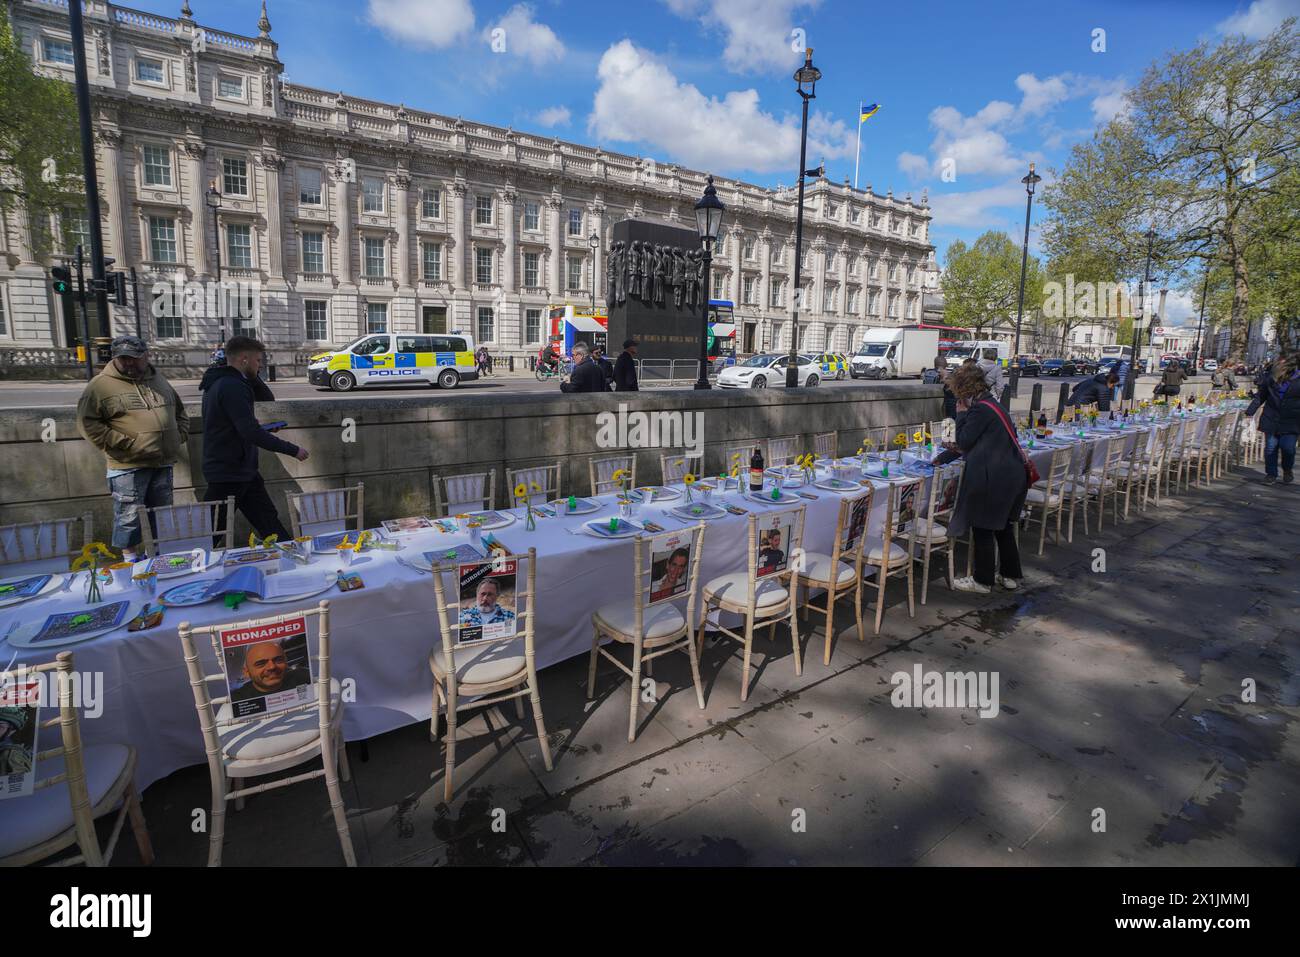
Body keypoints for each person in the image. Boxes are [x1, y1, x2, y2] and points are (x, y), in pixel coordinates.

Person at [76, 336, 190, 563]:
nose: (128, 363)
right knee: (128, 517)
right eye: (123, 359)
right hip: (127, 466)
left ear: (146, 356)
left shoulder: (159, 380)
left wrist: (178, 436)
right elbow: (87, 423)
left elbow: (179, 412)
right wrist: (125, 443)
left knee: (161, 514)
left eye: (134, 358)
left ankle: (157, 556)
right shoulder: (99, 386)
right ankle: (130, 560)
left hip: (163, 461)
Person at [933, 364, 1029, 593]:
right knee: (1003, 526)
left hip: (993, 476)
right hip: (1011, 473)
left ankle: (983, 580)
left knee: (983, 527)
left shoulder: (979, 410)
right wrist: (942, 458)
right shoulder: (993, 404)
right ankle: (1010, 576)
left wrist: (961, 414)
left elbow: (964, 440)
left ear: (963, 388)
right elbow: (975, 442)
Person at [199, 335, 307, 540]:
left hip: (240, 470)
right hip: (229, 472)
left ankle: (288, 558)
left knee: (269, 523)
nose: (260, 366)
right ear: (244, 359)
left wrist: (252, 376)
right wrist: (293, 450)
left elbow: (266, 400)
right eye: (258, 361)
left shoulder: (222, 381)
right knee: (211, 533)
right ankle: (191, 567)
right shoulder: (231, 386)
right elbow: (249, 432)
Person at [1245, 354, 1300, 485]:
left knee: (1288, 448)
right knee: (1270, 447)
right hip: (1271, 417)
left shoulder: (1298, 379)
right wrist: (1250, 411)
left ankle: (1287, 470)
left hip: (1291, 420)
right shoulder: (1271, 379)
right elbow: (1261, 396)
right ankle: (1271, 474)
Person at [231, 640, 312, 702]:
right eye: (261, 664)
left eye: (278, 660)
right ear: (246, 672)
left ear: (286, 663)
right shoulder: (237, 698)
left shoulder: (303, 677)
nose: (272, 667)